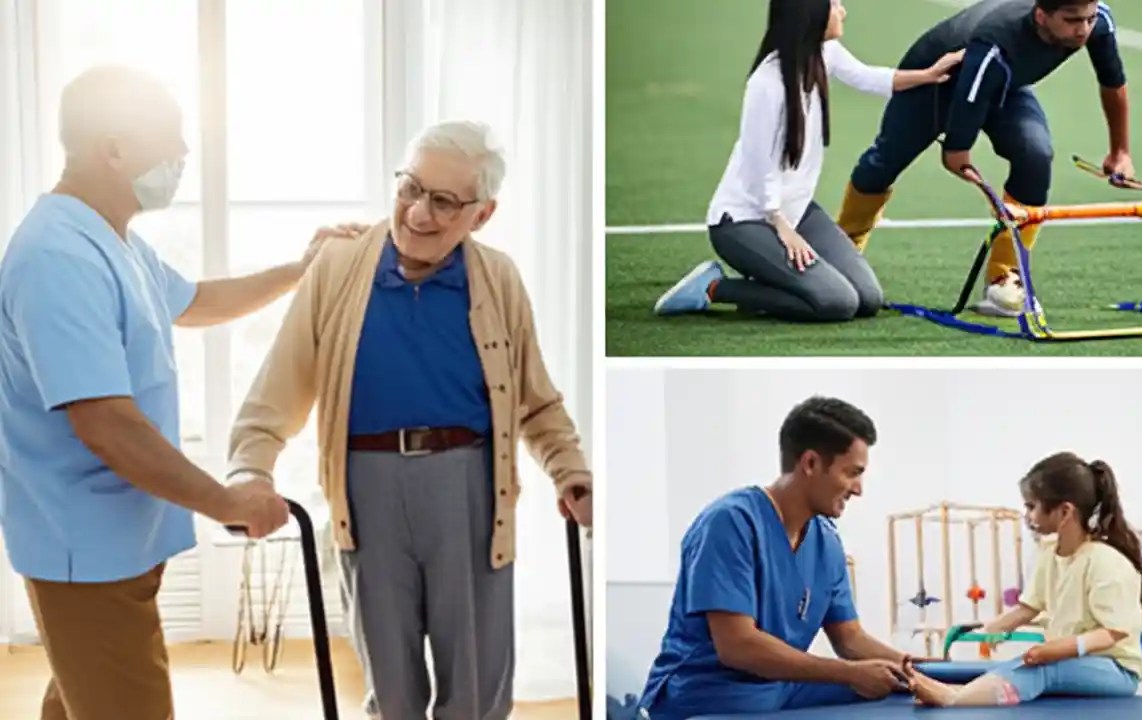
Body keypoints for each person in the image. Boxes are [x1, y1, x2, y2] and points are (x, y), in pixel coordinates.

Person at [0, 65, 358, 720]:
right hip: (84, 548)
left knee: (80, 696)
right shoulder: (57, 257)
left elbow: (195, 301)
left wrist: (298, 272)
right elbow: (107, 425)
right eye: (171, 140)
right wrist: (226, 501)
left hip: (117, 537)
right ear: (113, 147)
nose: (185, 157)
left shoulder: (114, 243)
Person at [226, 119, 594, 720]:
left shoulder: (496, 278)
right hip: (366, 490)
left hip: (470, 488)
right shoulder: (339, 266)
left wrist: (570, 472)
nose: (419, 213)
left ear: (482, 213)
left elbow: (536, 402)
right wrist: (250, 470)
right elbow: (277, 389)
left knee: (474, 692)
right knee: (391, 694)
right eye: (410, 189)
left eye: (444, 201)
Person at [652, 0, 962, 323]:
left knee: (868, 298)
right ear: (810, 13)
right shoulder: (766, 84)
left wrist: (929, 75)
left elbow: (867, 77)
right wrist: (781, 226)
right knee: (836, 302)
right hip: (746, 220)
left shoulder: (823, 52)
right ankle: (714, 288)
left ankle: (779, 277)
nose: (843, 11)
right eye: (835, 4)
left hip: (796, 210)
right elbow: (761, 166)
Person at [836, 0, 1132, 316]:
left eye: (1088, 20)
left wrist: (1120, 152)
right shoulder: (998, 39)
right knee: (884, 163)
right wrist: (960, 157)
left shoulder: (1098, 20)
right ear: (1042, 16)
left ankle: (1005, 275)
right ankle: (843, 249)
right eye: (1073, 20)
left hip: (1000, 80)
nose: (1083, 29)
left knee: (1035, 154)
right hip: (936, 81)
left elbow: (1112, 82)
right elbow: (956, 153)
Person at [637, 396, 917, 719]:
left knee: (891, 691)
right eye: (852, 473)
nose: (858, 489)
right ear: (810, 463)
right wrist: (849, 673)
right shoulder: (730, 523)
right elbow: (737, 646)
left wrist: (914, 669)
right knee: (858, 683)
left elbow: (850, 639)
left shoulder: (826, 542)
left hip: (778, 690)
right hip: (706, 696)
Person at [907, 451, 1142, 707]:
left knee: (1041, 667)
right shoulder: (1050, 553)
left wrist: (1060, 649)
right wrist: (984, 632)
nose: (1029, 515)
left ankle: (954, 698)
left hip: (1117, 670)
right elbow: (1027, 608)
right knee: (1024, 662)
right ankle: (932, 681)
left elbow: (1113, 633)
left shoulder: (1106, 562)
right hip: (1073, 661)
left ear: (1065, 511)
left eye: (1032, 506)